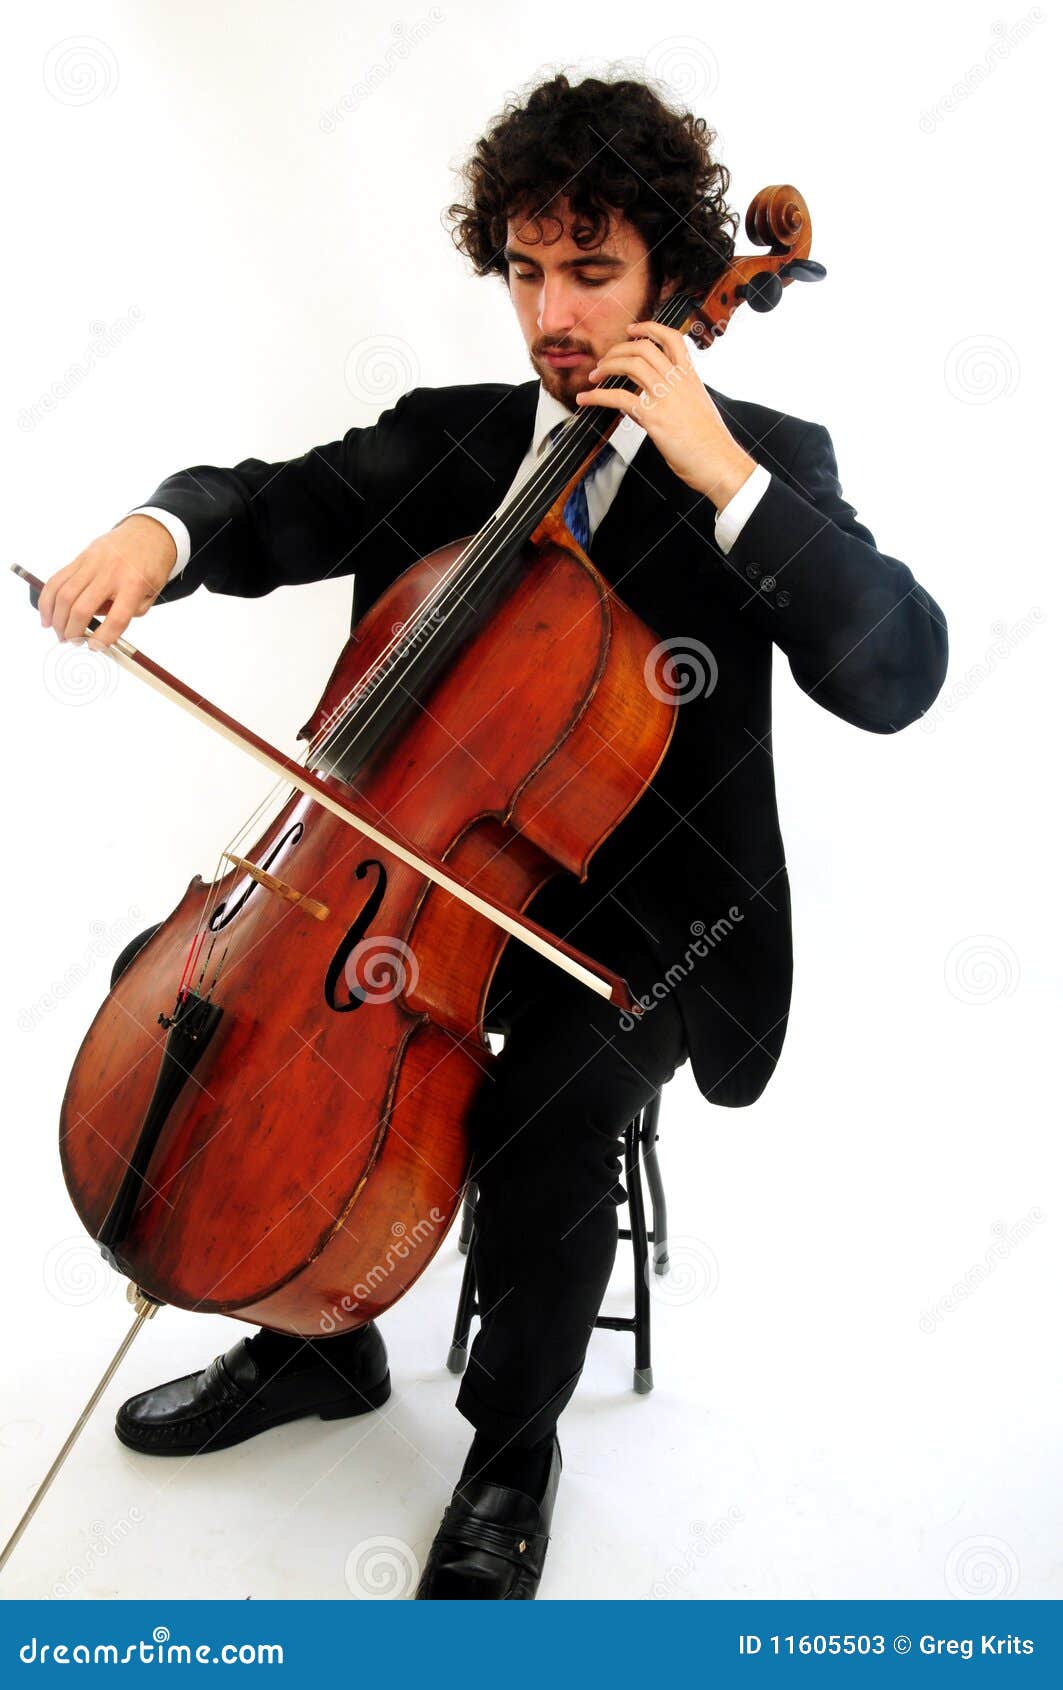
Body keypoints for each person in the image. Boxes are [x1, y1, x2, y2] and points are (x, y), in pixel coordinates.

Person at [36, 71, 948, 1599]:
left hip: (657, 926)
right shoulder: (455, 440)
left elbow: (898, 670)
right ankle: (310, 1337)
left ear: (669, 268)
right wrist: (162, 531)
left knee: (557, 1101)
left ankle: (511, 1449)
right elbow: (270, 506)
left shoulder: (767, 453)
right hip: (409, 887)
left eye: (590, 269)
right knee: (215, 996)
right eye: (526, 270)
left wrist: (718, 469)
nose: (551, 312)